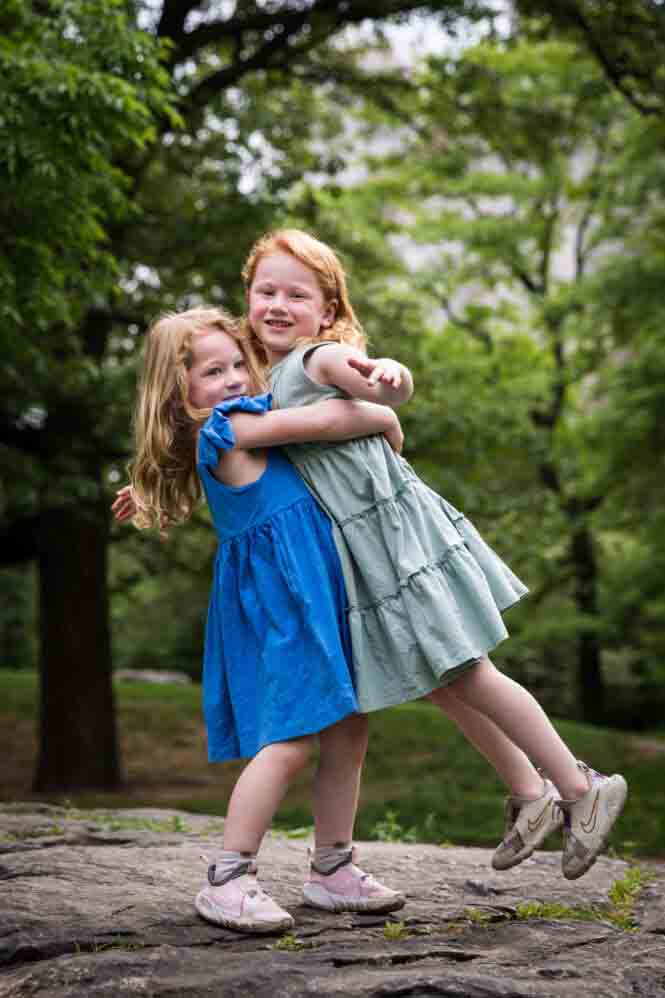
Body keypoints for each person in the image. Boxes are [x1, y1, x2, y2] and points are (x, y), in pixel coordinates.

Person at [240, 228, 628, 881]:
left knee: (467, 671)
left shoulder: (317, 358)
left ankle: (579, 787)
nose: (278, 305)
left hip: (394, 543)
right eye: (266, 291)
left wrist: (391, 379)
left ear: (327, 311)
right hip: (366, 552)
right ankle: (529, 793)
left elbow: (379, 383)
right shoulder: (265, 380)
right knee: (442, 680)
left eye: (296, 295)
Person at [115, 306, 407, 934]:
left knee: (350, 725)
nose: (232, 379)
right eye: (211, 372)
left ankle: (333, 867)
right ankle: (229, 876)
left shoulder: (240, 421)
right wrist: (384, 416)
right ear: (179, 392)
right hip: (281, 604)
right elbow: (328, 419)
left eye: (236, 365)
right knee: (293, 738)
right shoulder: (232, 426)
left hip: (314, 593)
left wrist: (149, 484)